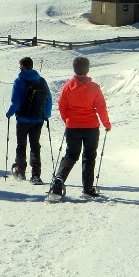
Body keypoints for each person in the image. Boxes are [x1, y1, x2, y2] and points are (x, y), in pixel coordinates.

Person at [50, 56, 112, 198]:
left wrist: (68, 120)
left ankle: (59, 179)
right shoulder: (95, 87)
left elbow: (61, 106)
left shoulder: (67, 87)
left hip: (73, 126)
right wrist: (106, 124)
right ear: (88, 69)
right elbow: (101, 107)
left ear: (74, 68)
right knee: (89, 156)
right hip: (91, 127)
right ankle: (88, 189)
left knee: (71, 155)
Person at [5, 56, 52, 183]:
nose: (19, 69)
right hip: (38, 119)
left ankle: (21, 172)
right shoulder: (41, 80)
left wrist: (9, 113)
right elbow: (49, 99)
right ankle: (36, 175)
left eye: (20, 66)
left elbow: (15, 102)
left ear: (24, 67)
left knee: (21, 145)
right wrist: (46, 114)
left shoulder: (19, 81)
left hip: (22, 119)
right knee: (35, 146)